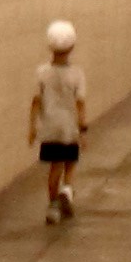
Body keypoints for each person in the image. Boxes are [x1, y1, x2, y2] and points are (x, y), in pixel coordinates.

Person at [30, 14, 88, 226]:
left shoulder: (42, 72)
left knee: (55, 165)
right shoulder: (77, 74)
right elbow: (80, 103)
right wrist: (83, 130)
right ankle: (68, 188)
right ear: (72, 46)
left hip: (49, 126)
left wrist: (32, 127)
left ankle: (53, 204)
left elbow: (36, 101)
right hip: (69, 127)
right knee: (71, 160)